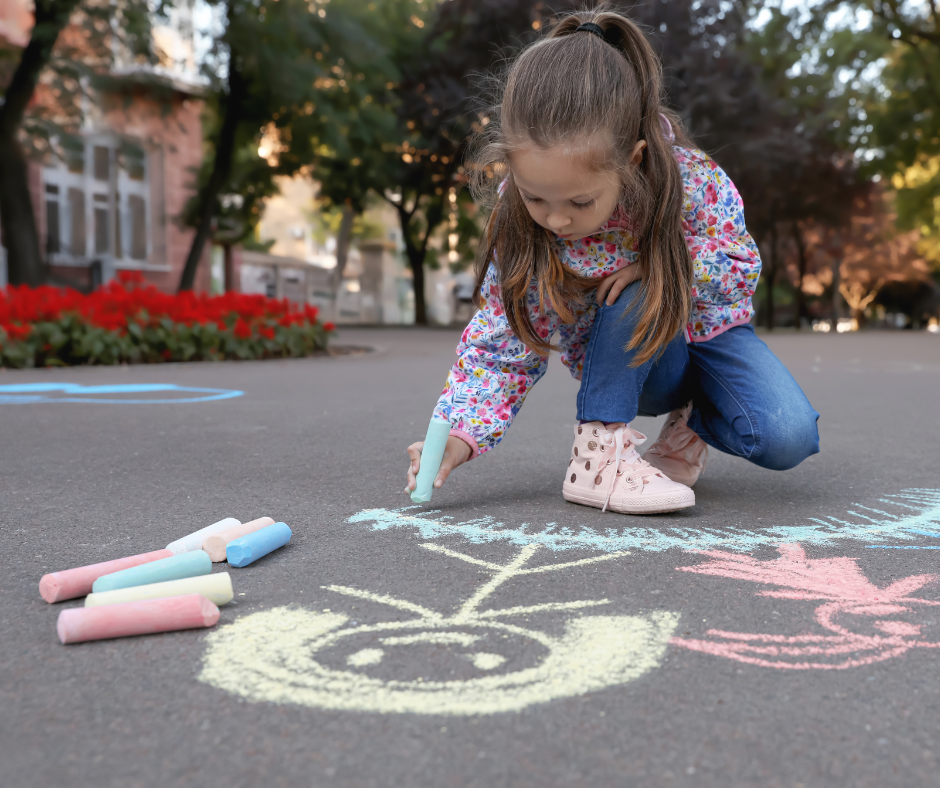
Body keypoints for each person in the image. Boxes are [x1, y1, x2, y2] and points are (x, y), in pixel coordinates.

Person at [405, 9, 819, 515]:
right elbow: (501, 341)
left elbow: (740, 263)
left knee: (787, 436)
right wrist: (459, 435)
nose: (557, 219)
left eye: (580, 202)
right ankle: (597, 456)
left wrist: (666, 267)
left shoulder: (692, 181)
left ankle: (692, 420)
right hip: (638, 367)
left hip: (712, 335)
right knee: (637, 289)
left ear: (633, 160)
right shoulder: (522, 227)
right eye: (536, 198)